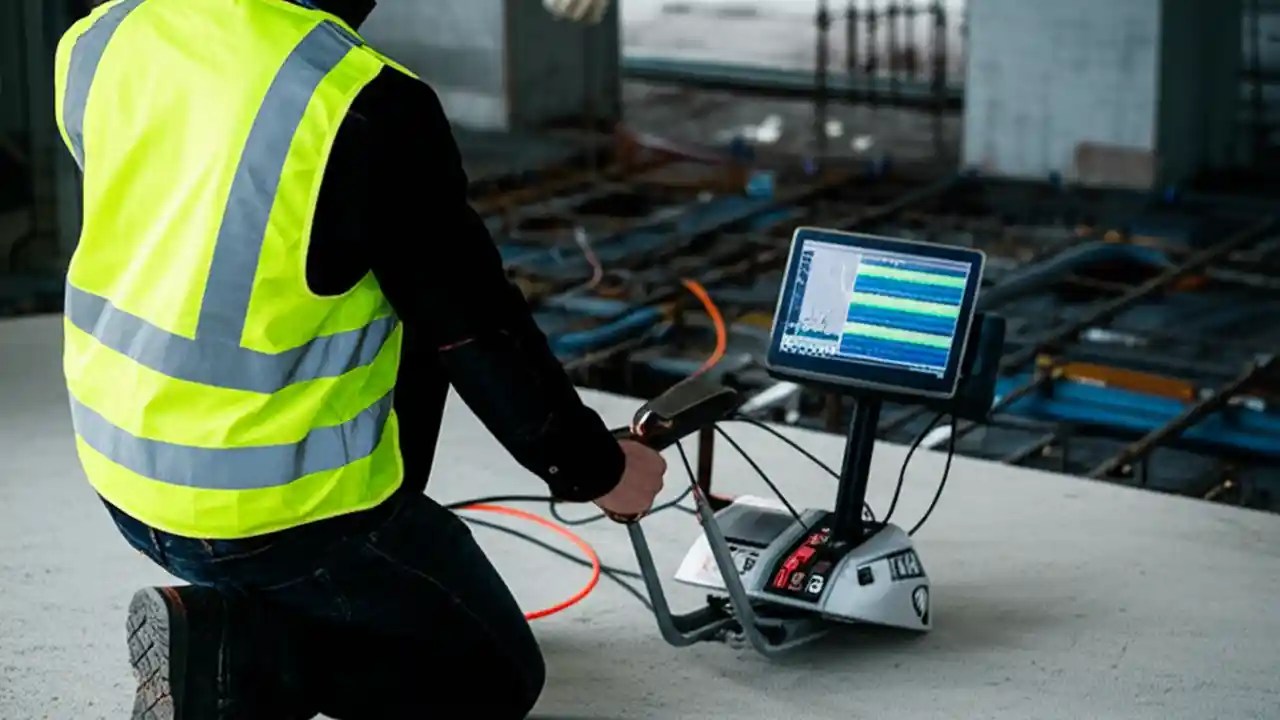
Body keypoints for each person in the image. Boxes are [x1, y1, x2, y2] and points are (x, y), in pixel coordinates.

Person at [53, 0, 656, 717]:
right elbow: (476, 332)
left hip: (125, 477)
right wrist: (597, 469)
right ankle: (232, 652)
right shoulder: (360, 101)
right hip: (274, 514)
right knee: (494, 674)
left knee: (379, 276)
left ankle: (272, 598)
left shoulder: (105, 35)